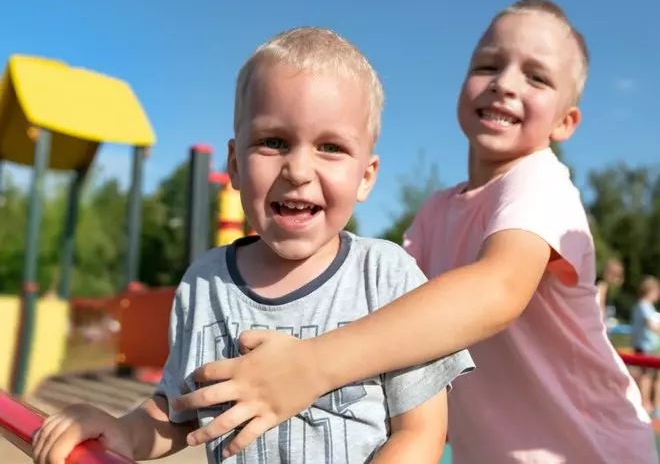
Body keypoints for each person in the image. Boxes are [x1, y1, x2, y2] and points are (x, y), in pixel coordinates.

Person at [171, 0, 659, 464]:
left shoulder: (540, 182)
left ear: (565, 122)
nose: (505, 84)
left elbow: (498, 290)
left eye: (536, 77)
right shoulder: (436, 212)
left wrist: (310, 366)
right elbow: (375, 300)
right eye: (488, 66)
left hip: (587, 451)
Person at [31, 27, 474, 464]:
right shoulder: (205, 283)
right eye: (274, 142)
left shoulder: (386, 276)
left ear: (366, 176)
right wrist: (123, 431)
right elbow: (179, 414)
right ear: (235, 165)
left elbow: (421, 432)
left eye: (330, 147)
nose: (298, 169)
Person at [631, 276, 660, 416]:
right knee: (646, 375)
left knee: (651, 375)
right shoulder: (643, 306)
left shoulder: (648, 306)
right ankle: (645, 402)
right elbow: (652, 326)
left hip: (651, 345)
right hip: (644, 346)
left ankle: (653, 404)